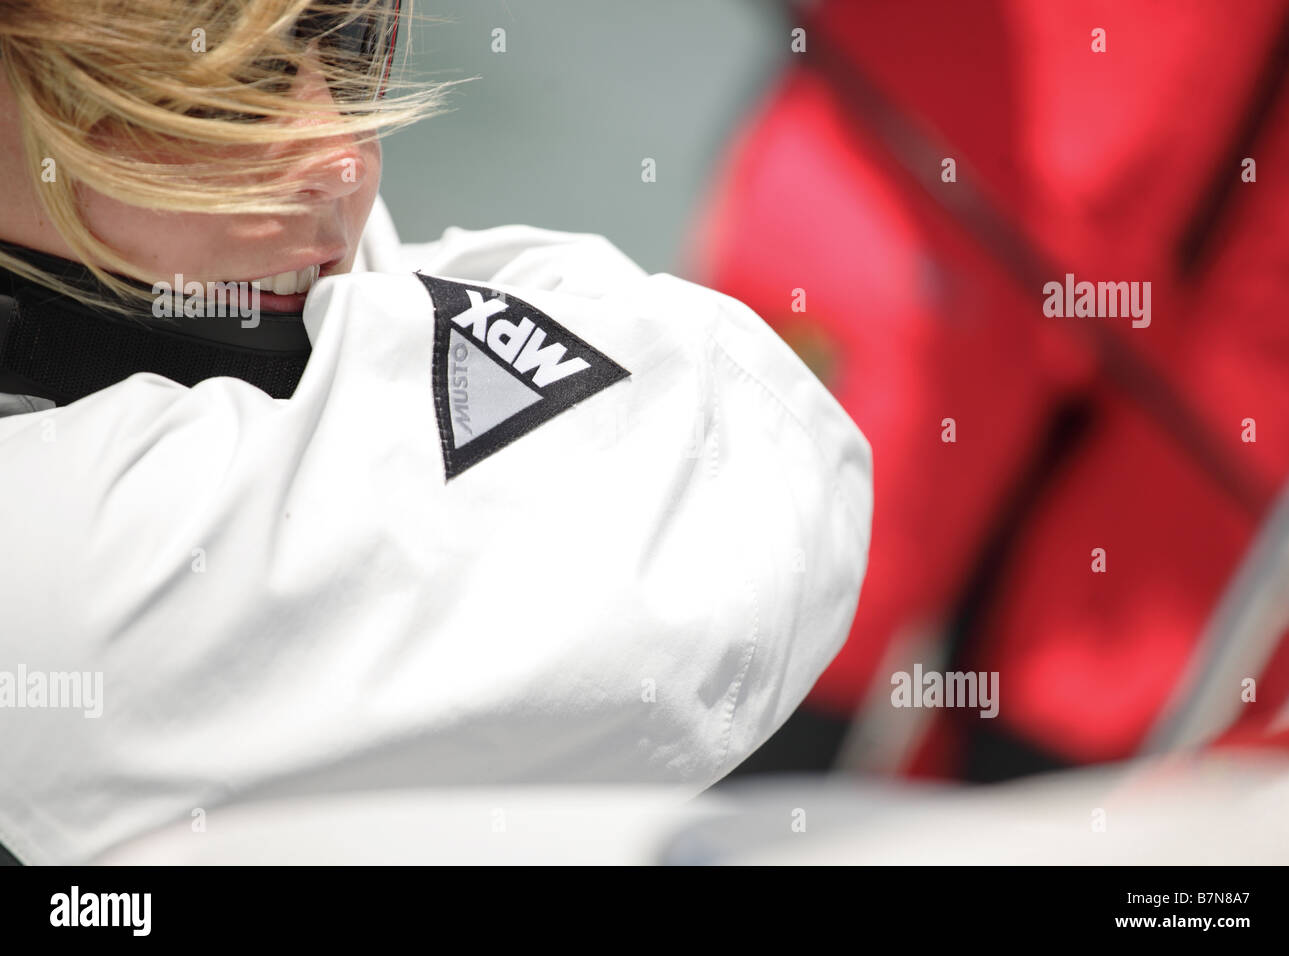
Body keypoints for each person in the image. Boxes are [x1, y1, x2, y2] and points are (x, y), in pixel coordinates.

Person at [0, 0, 873, 864]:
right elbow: (759, 460)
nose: (342, 157)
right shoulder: (67, 565)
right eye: (213, 89)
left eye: (349, 42)